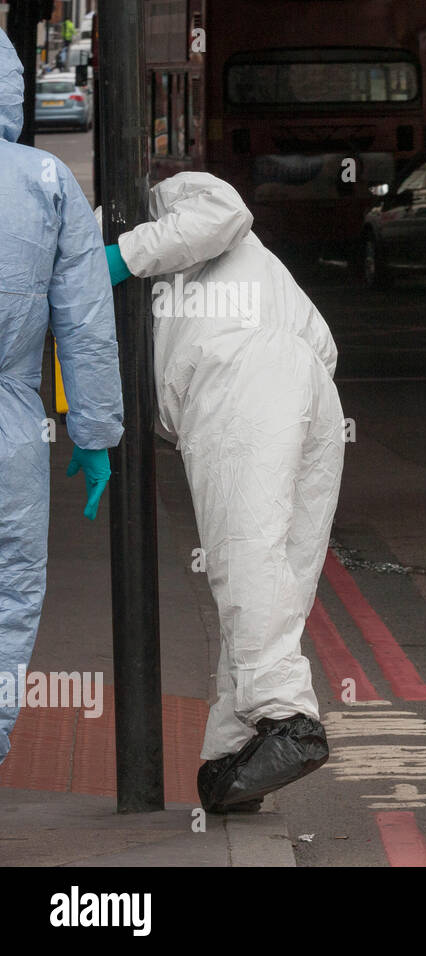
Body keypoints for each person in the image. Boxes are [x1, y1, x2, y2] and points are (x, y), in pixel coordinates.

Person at [102, 172, 343, 813]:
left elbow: (223, 206)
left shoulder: (144, 207)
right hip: (308, 384)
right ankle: (232, 755)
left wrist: (118, 256)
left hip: (236, 376)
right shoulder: (183, 255)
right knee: (278, 578)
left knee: (247, 560)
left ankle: (288, 719)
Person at [0, 31, 123, 764]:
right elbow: (85, 327)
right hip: (11, 433)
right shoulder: (45, 181)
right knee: (8, 600)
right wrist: (95, 432)